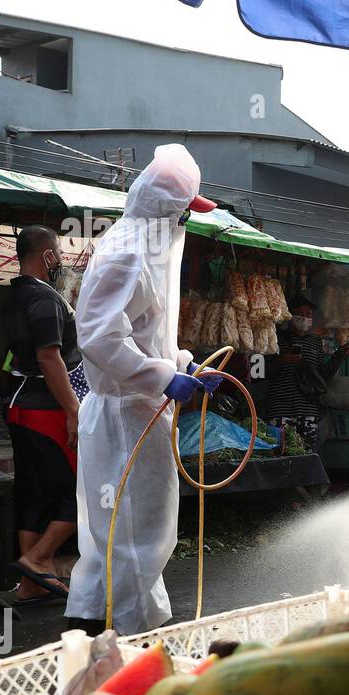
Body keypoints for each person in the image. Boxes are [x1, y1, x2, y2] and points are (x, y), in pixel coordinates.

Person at [65, 145, 219, 636]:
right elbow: (99, 336)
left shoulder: (147, 249)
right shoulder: (129, 250)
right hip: (124, 416)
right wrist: (160, 378)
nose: (186, 224)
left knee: (133, 538)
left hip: (140, 411)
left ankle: (110, 641)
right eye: (184, 215)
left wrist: (182, 366)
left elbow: (144, 333)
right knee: (127, 538)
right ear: (166, 212)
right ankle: (119, 647)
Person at [1, 226, 87, 603]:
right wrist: (73, 409)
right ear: (46, 256)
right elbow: (49, 357)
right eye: (58, 253)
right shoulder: (45, 299)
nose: (62, 261)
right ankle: (38, 560)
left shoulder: (12, 296)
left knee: (33, 493)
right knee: (75, 491)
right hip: (45, 408)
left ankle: (29, 584)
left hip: (18, 407)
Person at [265, 295, 326, 450]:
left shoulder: (316, 342)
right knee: (280, 454)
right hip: (280, 410)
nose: (305, 319)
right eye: (301, 314)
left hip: (308, 411)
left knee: (306, 454)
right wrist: (281, 361)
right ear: (290, 316)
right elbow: (257, 373)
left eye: (309, 315)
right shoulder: (275, 339)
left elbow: (322, 372)